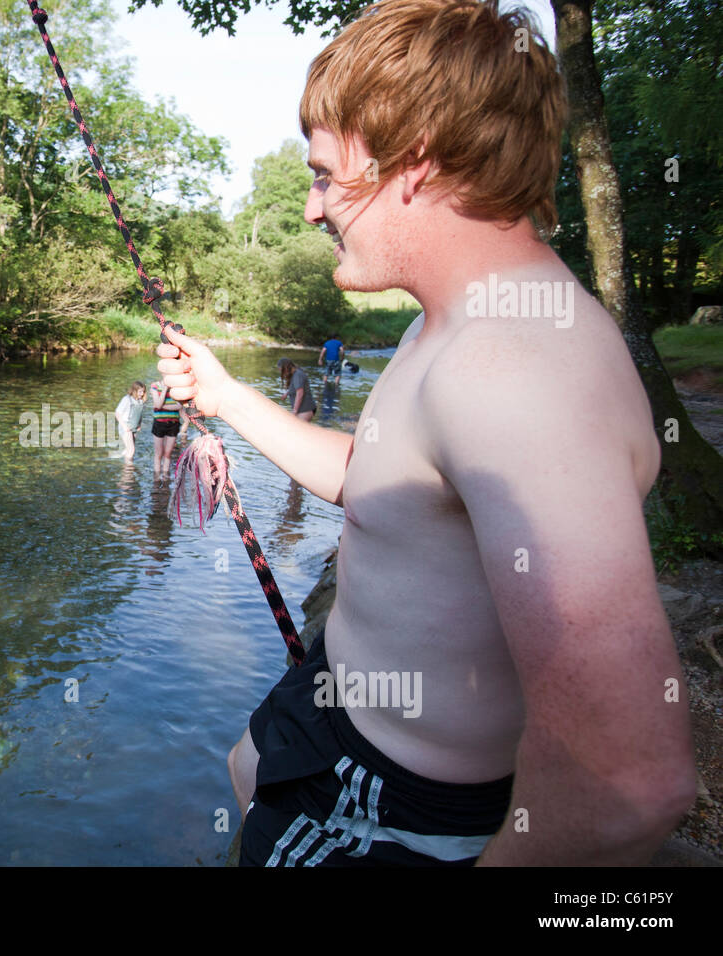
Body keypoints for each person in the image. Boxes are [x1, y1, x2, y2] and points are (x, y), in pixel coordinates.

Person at [157, 0, 694, 866]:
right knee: (248, 764)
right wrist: (225, 397)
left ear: (411, 164)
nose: (308, 207)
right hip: (340, 703)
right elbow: (387, 483)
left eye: (326, 174)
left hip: (397, 798)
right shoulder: (450, 324)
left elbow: (630, 779)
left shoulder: (515, 371)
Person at [149, 378, 187, 478]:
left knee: (168, 454)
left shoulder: (176, 389)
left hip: (173, 423)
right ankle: (156, 478)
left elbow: (179, 406)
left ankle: (165, 477)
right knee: (158, 454)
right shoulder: (155, 386)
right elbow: (157, 404)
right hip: (159, 423)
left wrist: (161, 406)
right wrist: (165, 390)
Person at [113, 380, 149, 460]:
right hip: (126, 427)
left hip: (134, 428)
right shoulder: (127, 399)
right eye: (140, 392)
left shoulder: (140, 401)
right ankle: (128, 470)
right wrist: (125, 427)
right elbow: (117, 413)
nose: (142, 394)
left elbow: (139, 414)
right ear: (134, 391)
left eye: (143, 391)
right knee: (131, 450)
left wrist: (139, 424)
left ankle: (119, 460)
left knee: (128, 449)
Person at [277, 357, 317, 421]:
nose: (282, 373)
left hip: (306, 409)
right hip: (303, 409)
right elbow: (295, 387)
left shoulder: (297, 375)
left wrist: (295, 411)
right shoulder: (295, 373)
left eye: (282, 370)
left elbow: (300, 393)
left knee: (300, 429)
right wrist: (287, 393)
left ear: (286, 368)